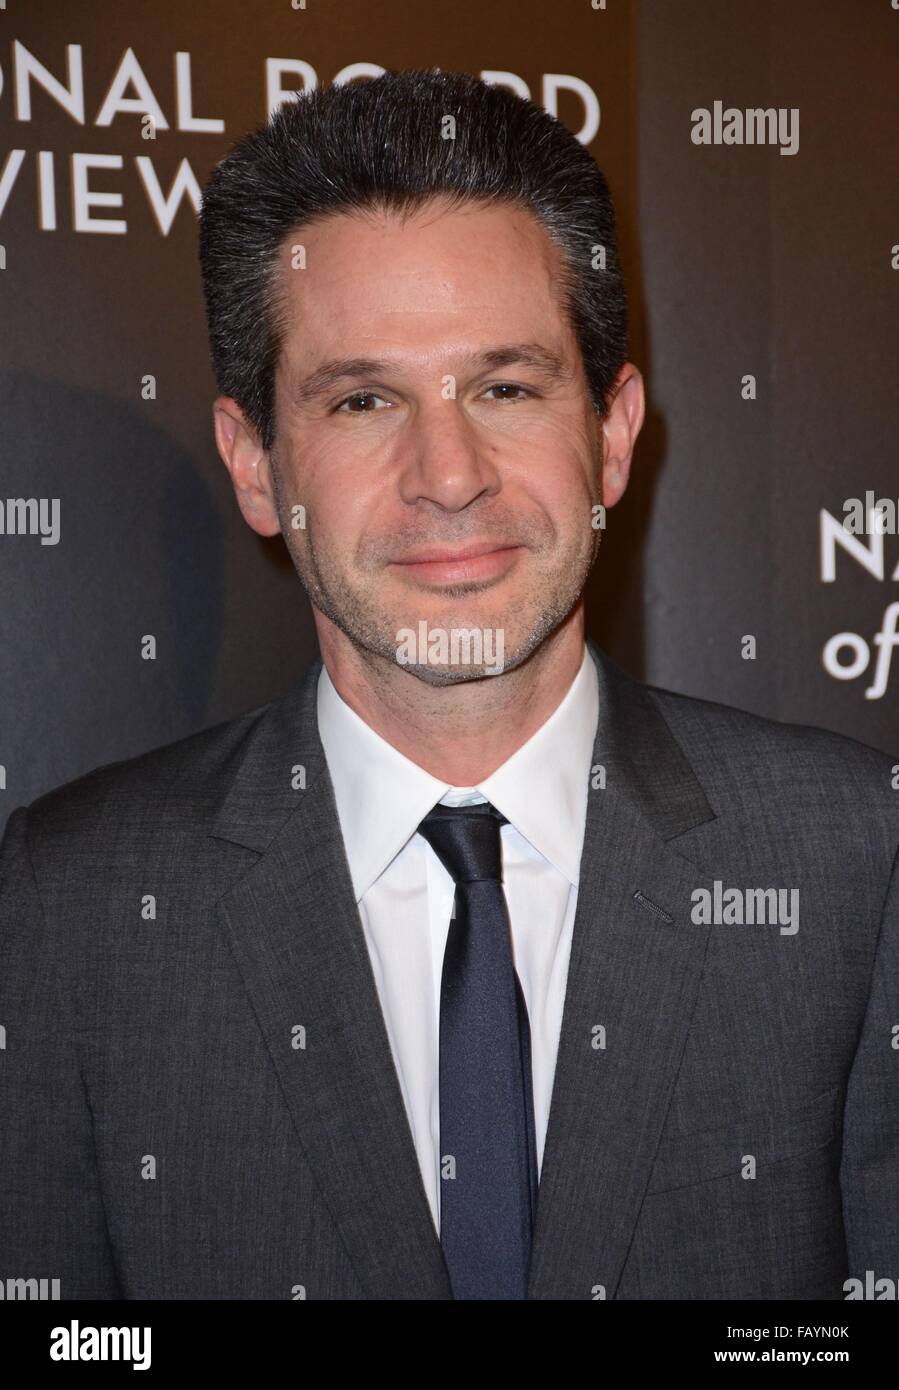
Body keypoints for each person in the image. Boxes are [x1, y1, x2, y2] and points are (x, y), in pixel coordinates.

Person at [1, 68, 896, 1301]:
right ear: (256, 465)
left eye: (505, 387)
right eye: (363, 399)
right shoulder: (74, 902)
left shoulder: (853, 859)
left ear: (614, 432)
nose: (448, 474)